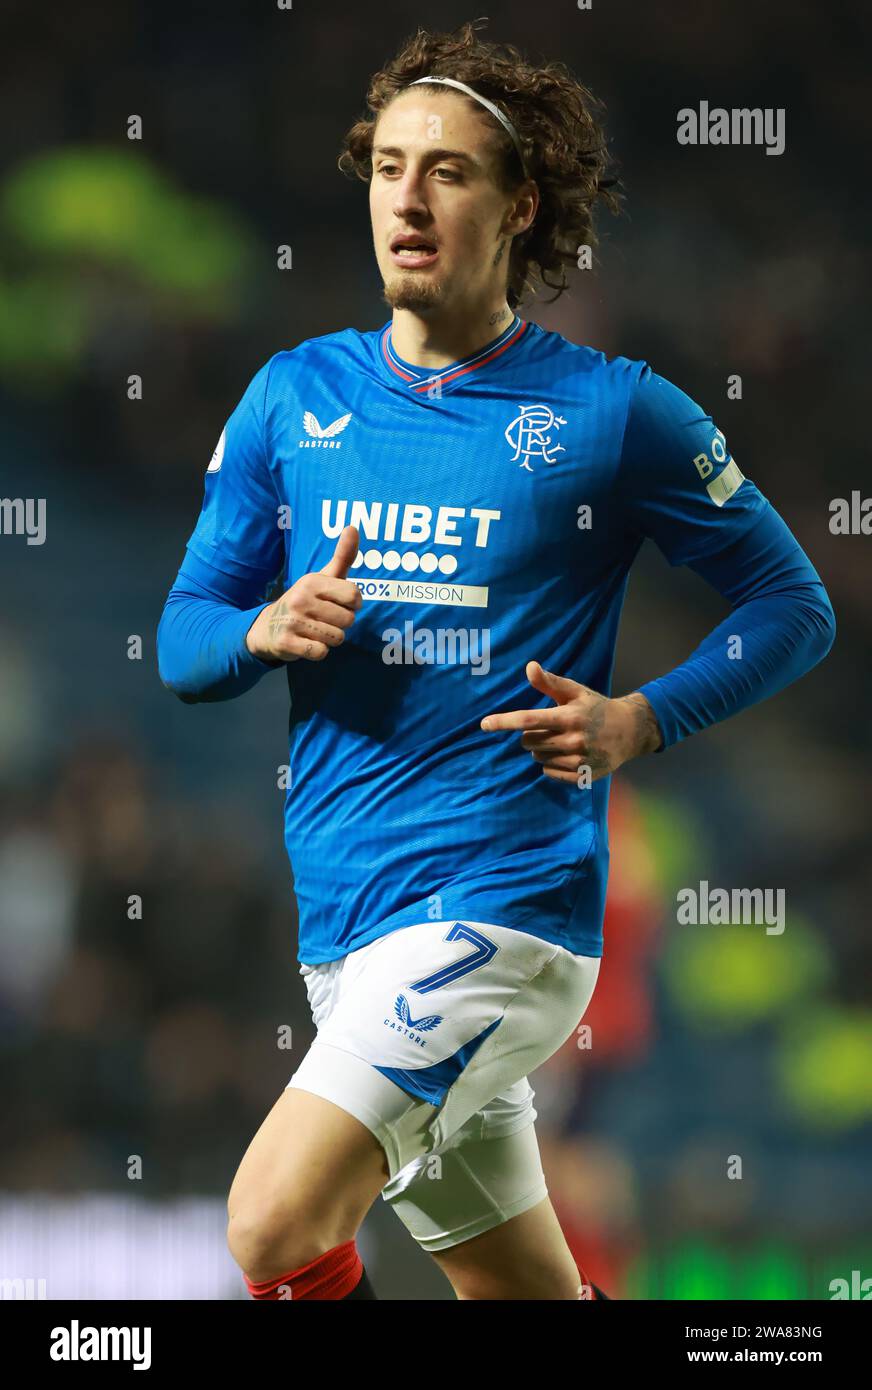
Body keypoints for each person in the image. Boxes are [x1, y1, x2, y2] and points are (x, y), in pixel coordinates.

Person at [156, 20, 835, 1301]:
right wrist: (260, 629)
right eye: (387, 167)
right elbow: (184, 637)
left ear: (520, 206)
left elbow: (791, 603)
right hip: (345, 925)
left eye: (447, 171)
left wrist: (641, 718)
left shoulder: (611, 410)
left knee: (271, 1224)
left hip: (500, 911)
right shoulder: (293, 397)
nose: (407, 198)